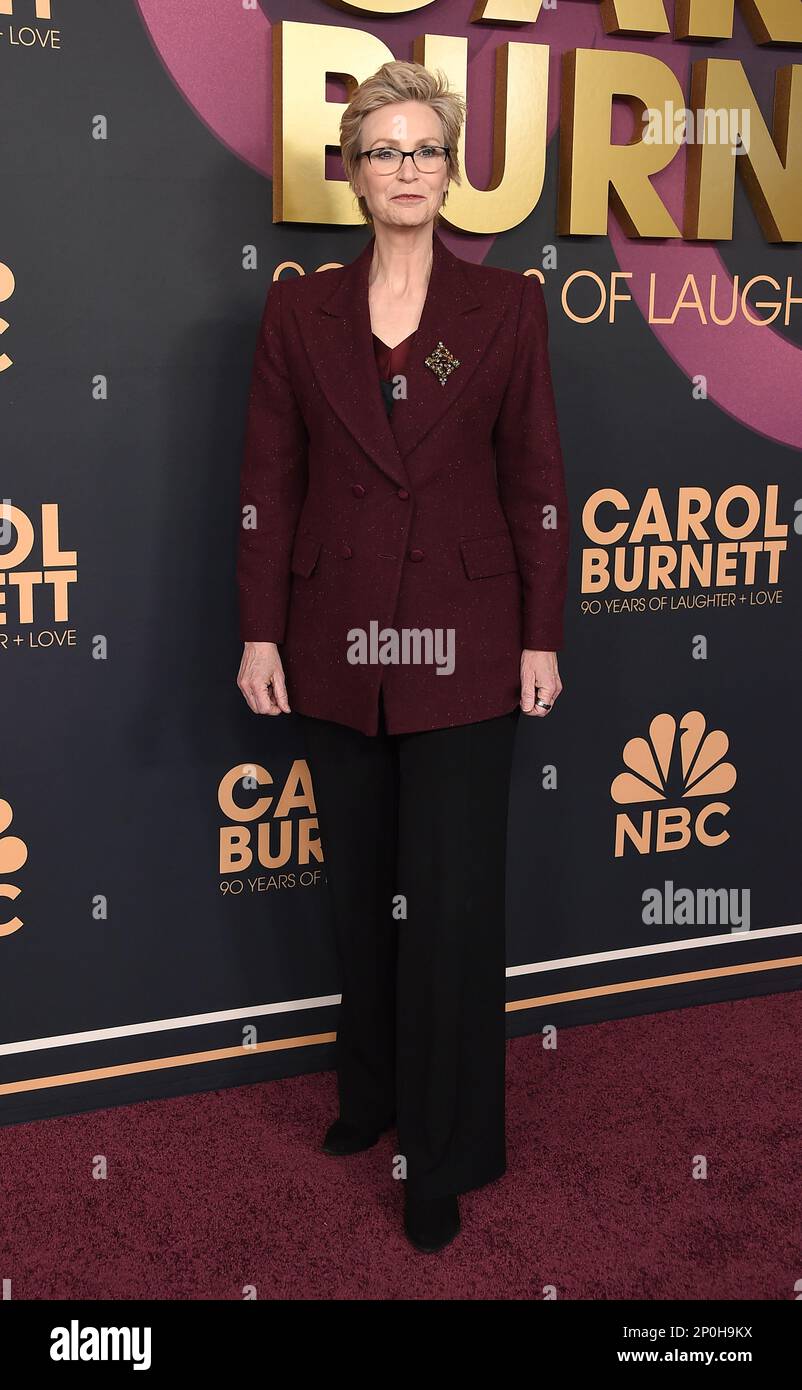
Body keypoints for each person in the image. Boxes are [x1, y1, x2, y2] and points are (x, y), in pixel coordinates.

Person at [236, 59, 569, 1254]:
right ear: (352, 170)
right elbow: (269, 483)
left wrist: (542, 634)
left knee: (449, 911)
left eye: (426, 150)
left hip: (469, 650)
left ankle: (445, 1150)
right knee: (356, 892)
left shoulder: (506, 307)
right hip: (333, 644)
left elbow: (536, 482)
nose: (407, 170)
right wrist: (260, 628)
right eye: (384, 150)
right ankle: (367, 1098)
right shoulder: (297, 310)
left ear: (453, 165)